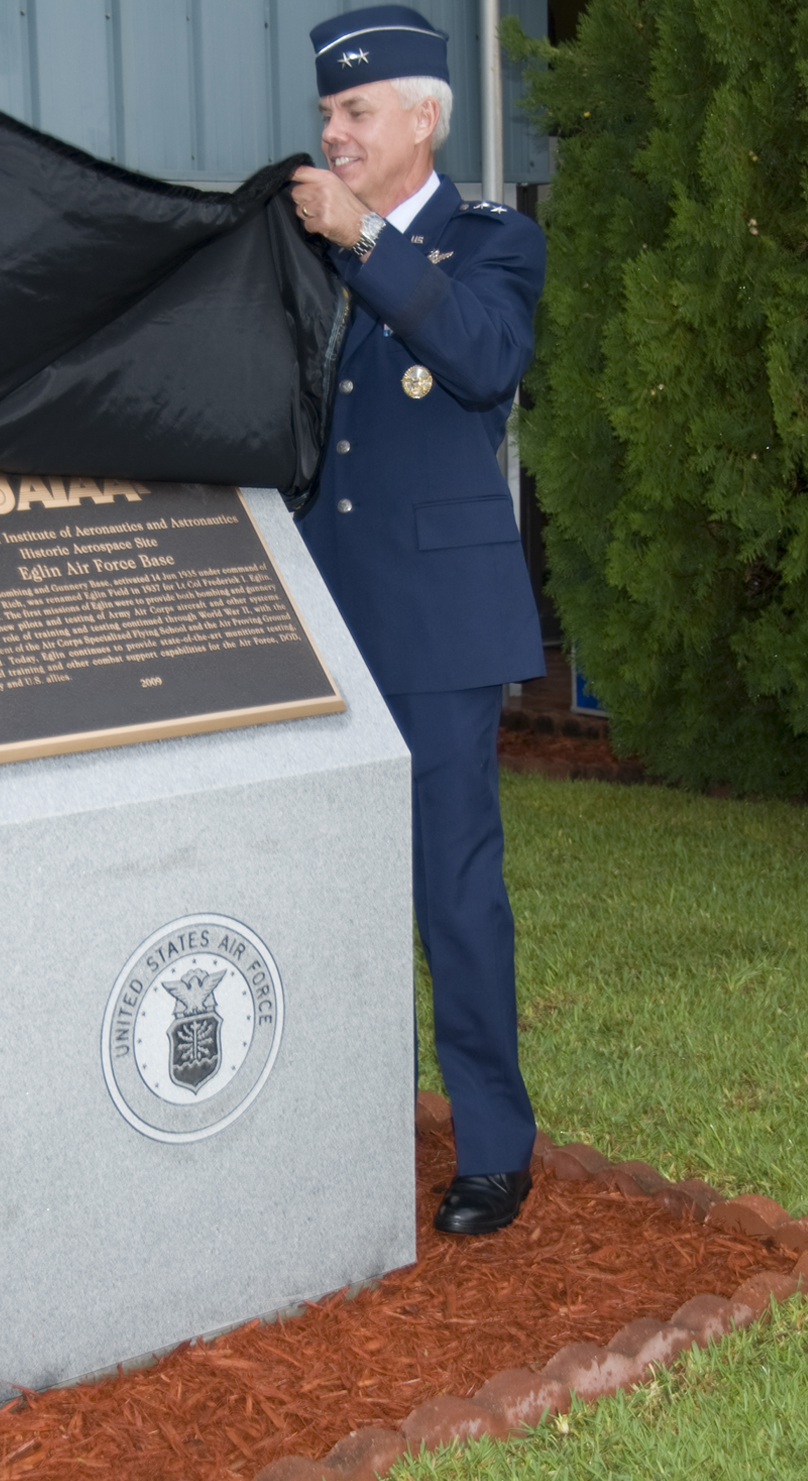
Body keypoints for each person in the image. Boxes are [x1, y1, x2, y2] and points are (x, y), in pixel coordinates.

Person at [285, 6, 545, 1235]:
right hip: (326, 613)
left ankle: (493, 1140)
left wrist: (367, 242)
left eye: (358, 111)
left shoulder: (488, 241)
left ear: (424, 118)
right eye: (328, 113)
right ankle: (350, 1126)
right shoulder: (305, 242)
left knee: (451, 889)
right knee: (337, 889)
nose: (334, 132)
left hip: (438, 624)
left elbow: (486, 359)